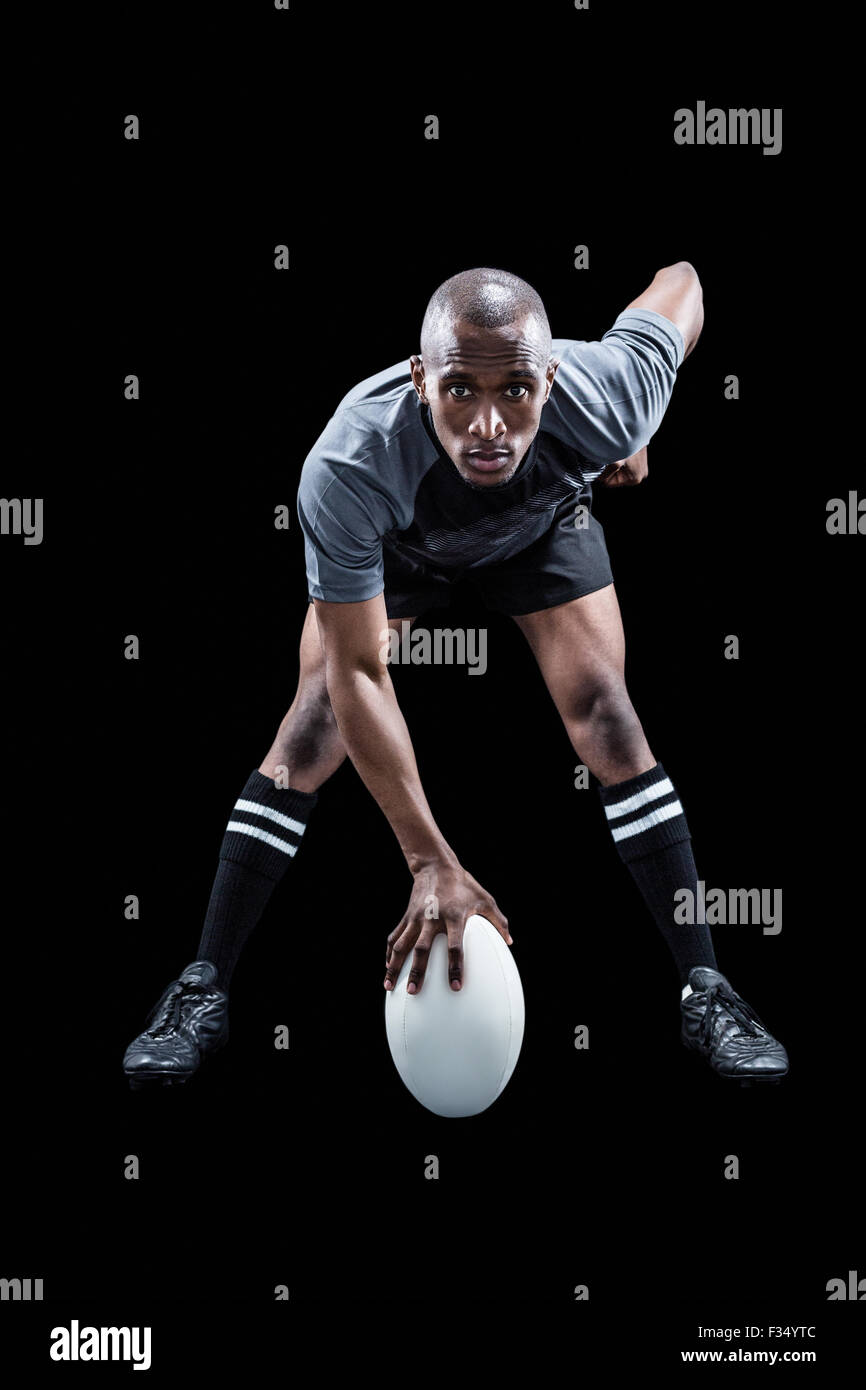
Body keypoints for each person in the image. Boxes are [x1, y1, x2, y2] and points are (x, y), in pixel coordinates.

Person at [123, 263, 788, 1090]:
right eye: (458, 392)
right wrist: (429, 860)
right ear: (418, 378)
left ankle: (708, 990)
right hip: (401, 546)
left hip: (541, 526)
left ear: (550, 378)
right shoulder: (352, 464)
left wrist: (635, 429)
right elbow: (362, 670)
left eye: (516, 391)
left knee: (608, 718)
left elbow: (682, 281)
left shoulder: (610, 393)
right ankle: (201, 990)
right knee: (317, 716)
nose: (487, 427)